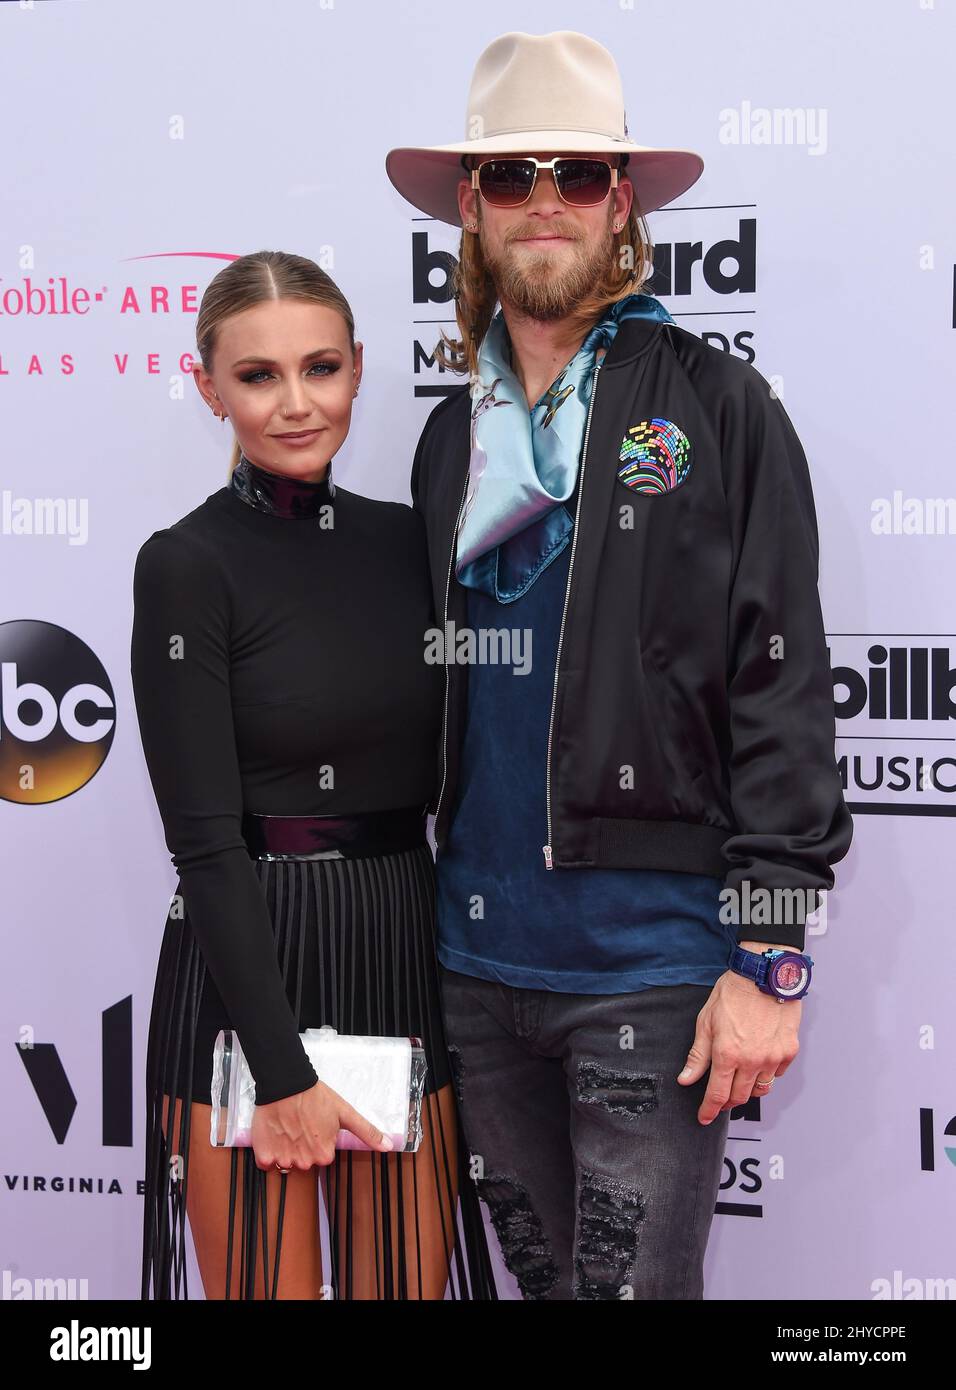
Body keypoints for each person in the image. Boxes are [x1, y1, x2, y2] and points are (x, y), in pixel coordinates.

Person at [385, 30, 853, 1299]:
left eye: (578, 172)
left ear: (621, 204)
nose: (545, 197)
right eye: (511, 174)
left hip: (651, 970)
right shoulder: (447, 439)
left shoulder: (716, 408)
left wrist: (765, 962)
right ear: (471, 212)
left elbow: (781, 688)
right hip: (476, 973)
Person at [131, 250, 496, 1300]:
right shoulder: (186, 565)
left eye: (321, 367)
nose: (297, 403)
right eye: (258, 376)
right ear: (208, 388)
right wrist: (282, 1070)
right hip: (251, 970)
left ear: (358, 369)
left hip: (397, 946)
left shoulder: (410, 543)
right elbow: (202, 838)